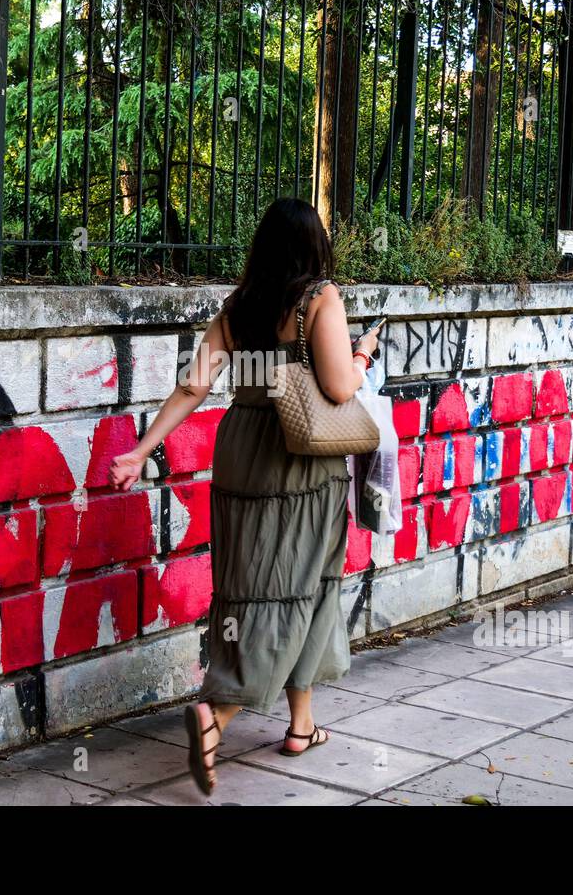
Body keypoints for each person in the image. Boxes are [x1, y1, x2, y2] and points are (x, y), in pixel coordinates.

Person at [108, 197, 383, 795]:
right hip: (298, 461)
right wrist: (363, 356)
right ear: (314, 245)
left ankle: (301, 724)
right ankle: (217, 717)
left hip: (241, 453)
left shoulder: (241, 307)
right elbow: (338, 387)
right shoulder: (320, 299)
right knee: (300, 582)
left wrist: (141, 449)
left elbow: (193, 386)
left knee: (264, 585)